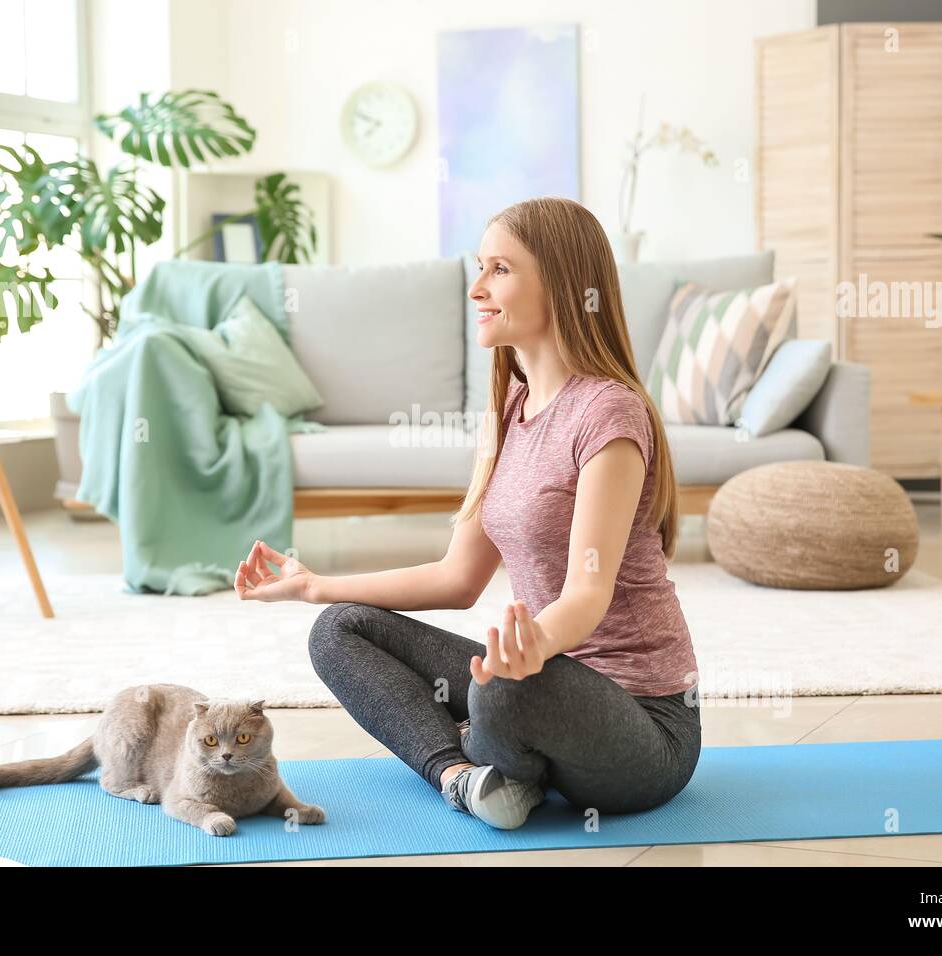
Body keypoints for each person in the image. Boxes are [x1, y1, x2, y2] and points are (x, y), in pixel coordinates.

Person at [235, 196, 701, 830]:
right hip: (543, 679)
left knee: (502, 685)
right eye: (479, 268)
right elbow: (458, 578)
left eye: (500, 270)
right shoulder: (508, 408)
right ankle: (466, 777)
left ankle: (495, 745)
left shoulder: (608, 414)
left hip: (644, 726)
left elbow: (587, 592)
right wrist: (314, 585)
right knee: (338, 629)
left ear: (561, 283)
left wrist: (531, 649)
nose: (477, 288)